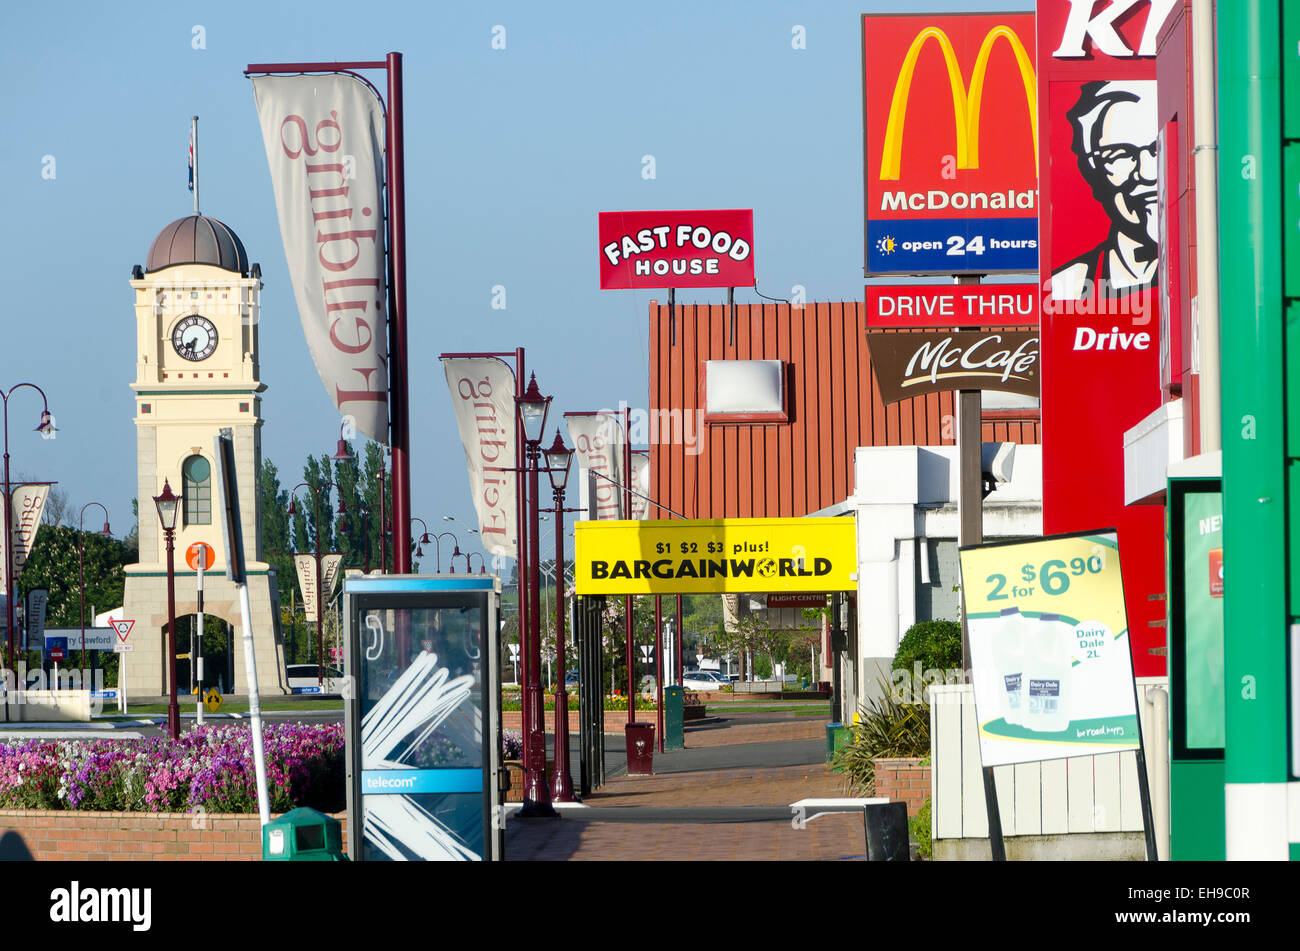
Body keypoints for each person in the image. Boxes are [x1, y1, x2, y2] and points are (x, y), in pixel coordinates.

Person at [1051, 80, 1159, 301]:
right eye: (1120, 154)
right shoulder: (1066, 289)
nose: (1147, 175)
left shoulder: (1225, 277)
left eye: (1157, 148)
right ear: (1093, 173)